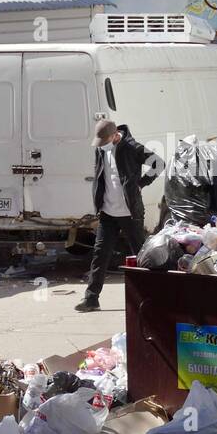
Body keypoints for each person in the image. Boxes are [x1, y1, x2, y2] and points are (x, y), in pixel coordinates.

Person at [75, 119, 165, 312]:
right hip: (107, 211)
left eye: (105, 141)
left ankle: (153, 297)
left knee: (142, 256)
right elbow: (101, 174)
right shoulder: (101, 148)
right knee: (100, 254)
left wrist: (141, 183)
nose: (102, 146)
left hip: (129, 212)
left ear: (115, 135)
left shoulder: (132, 147)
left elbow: (159, 163)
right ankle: (91, 299)